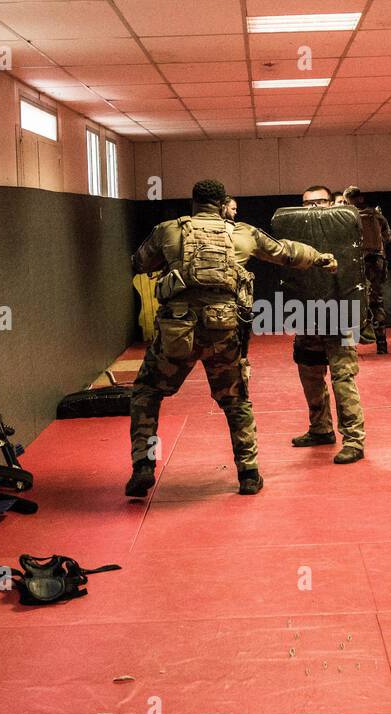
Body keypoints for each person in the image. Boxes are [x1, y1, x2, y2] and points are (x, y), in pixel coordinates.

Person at [127, 179, 337, 497]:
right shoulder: (242, 233)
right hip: (223, 329)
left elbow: (139, 263)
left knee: (146, 392)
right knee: (235, 401)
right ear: (223, 203)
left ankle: (143, 466)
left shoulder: (168, 229)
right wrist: (320, 257)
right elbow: (285, 252)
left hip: (176, 330)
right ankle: (248, 474)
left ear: (194, 202)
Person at [288, 185, 366, 464]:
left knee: (342, 376)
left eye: (318, 202)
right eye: (305, 204)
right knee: (309, 373)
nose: (310, 209)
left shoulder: (344, 228)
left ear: (331, 203)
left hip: (340, 313)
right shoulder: (295, 233)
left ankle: (354, 440)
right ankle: (320, 428)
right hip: (308, 314)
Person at [348, 186, 391, 355]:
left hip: (357, 263)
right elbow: (387, 237)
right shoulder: (377, 215)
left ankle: (349, 346)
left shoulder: (348, 217)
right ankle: (382, 343)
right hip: (378, 261)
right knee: (377, 302)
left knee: (351, 303)